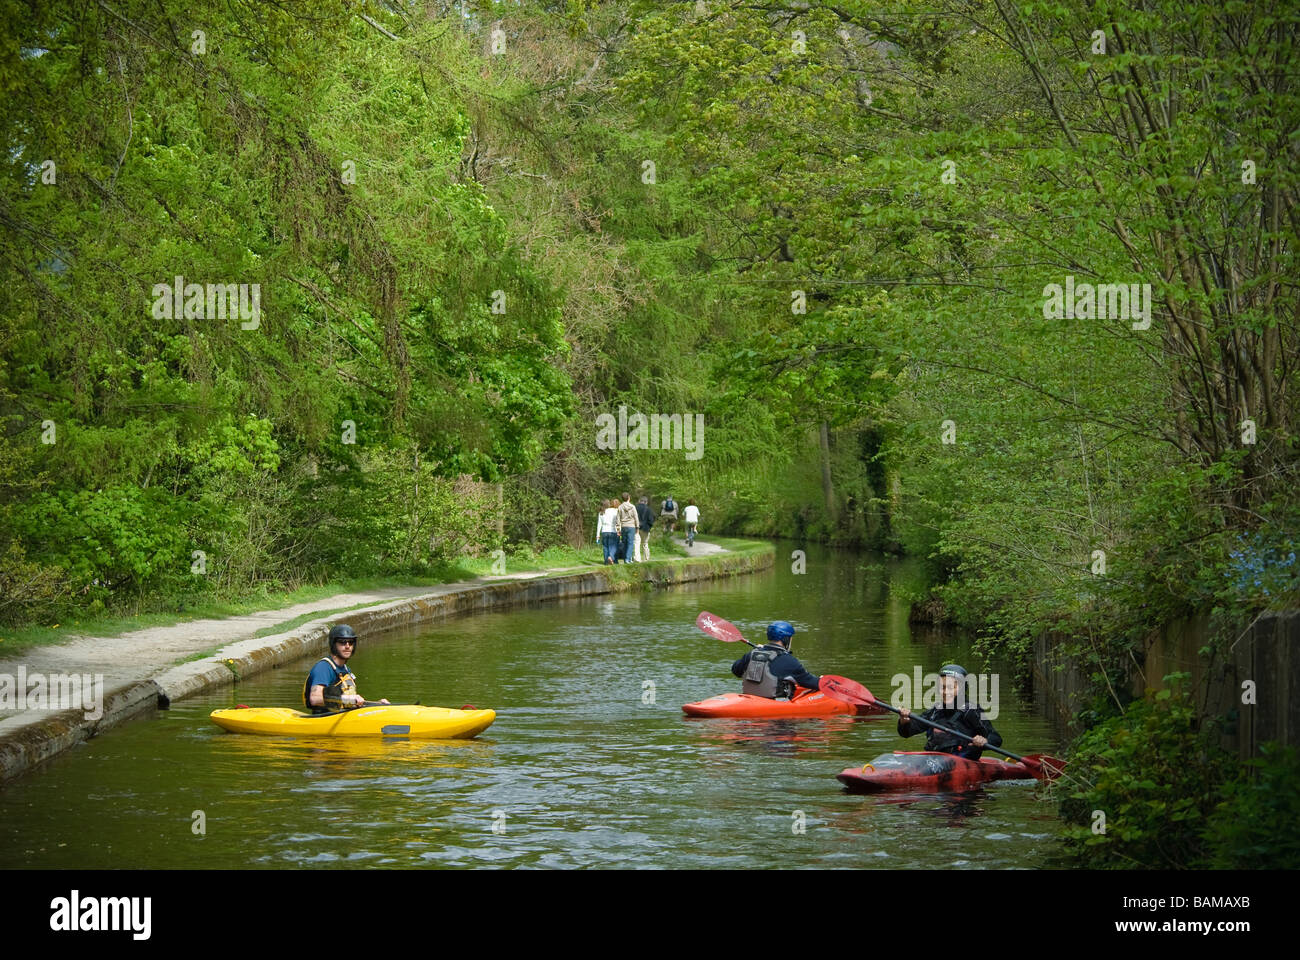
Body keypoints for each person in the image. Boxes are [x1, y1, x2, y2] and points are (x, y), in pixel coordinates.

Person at [897, 663, 1002, 760]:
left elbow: (996, 738)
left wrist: (984, 741)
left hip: (963, 763)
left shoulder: (972, 711)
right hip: (934, 761)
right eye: (942, 687)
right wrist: (904, 721)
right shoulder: (935, 711)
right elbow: (906, 733)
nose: (946, 692)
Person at [304, 624, 389, 714]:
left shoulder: (346, 670)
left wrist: (377, 704)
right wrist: (349, 699)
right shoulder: (323, 668)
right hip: (324, 719)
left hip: (344, 716)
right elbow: (315, 698)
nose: (347, 646)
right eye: (342, 642)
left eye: (351, 642)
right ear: (334, 644)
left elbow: (351, 701)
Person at [730, 621, 820, 699]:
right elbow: (811, 682)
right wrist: (821, 680)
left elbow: (736, 670)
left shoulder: (751, 654)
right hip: (777, 711)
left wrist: (757, 651)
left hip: (750, 701)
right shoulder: (789, 661)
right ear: (786, 639)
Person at [596, 498, 620, 564]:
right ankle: (611, 557)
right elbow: (617, 521)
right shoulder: (613, 510)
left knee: (605, 547)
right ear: (608, 504)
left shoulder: (601, 512)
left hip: (604, 531)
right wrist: (619, 530)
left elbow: (599, 524)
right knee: (613, 546)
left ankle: (606, 561)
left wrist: (597, 535)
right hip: (612, 530)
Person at [616, 491, 638, 563]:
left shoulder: (620, 507)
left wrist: (618, 529)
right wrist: (637, 527)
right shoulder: (632, 507)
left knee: (624, 543)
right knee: (630, 543)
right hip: (631, 526)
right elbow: (636, 517)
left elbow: (618, 519)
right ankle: (628, 559)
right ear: (629, 498)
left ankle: (626, 558)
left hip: (623, 527)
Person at [635, 496, 655, 561]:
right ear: (646, 502)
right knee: (645, 544)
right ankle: (646, 559)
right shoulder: (649, 509)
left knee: (636, 543)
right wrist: (649, 527)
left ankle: (637, 558)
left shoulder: (635, 508)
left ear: (639, 501)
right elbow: (651, 520)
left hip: (636, 528)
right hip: (645, 529)